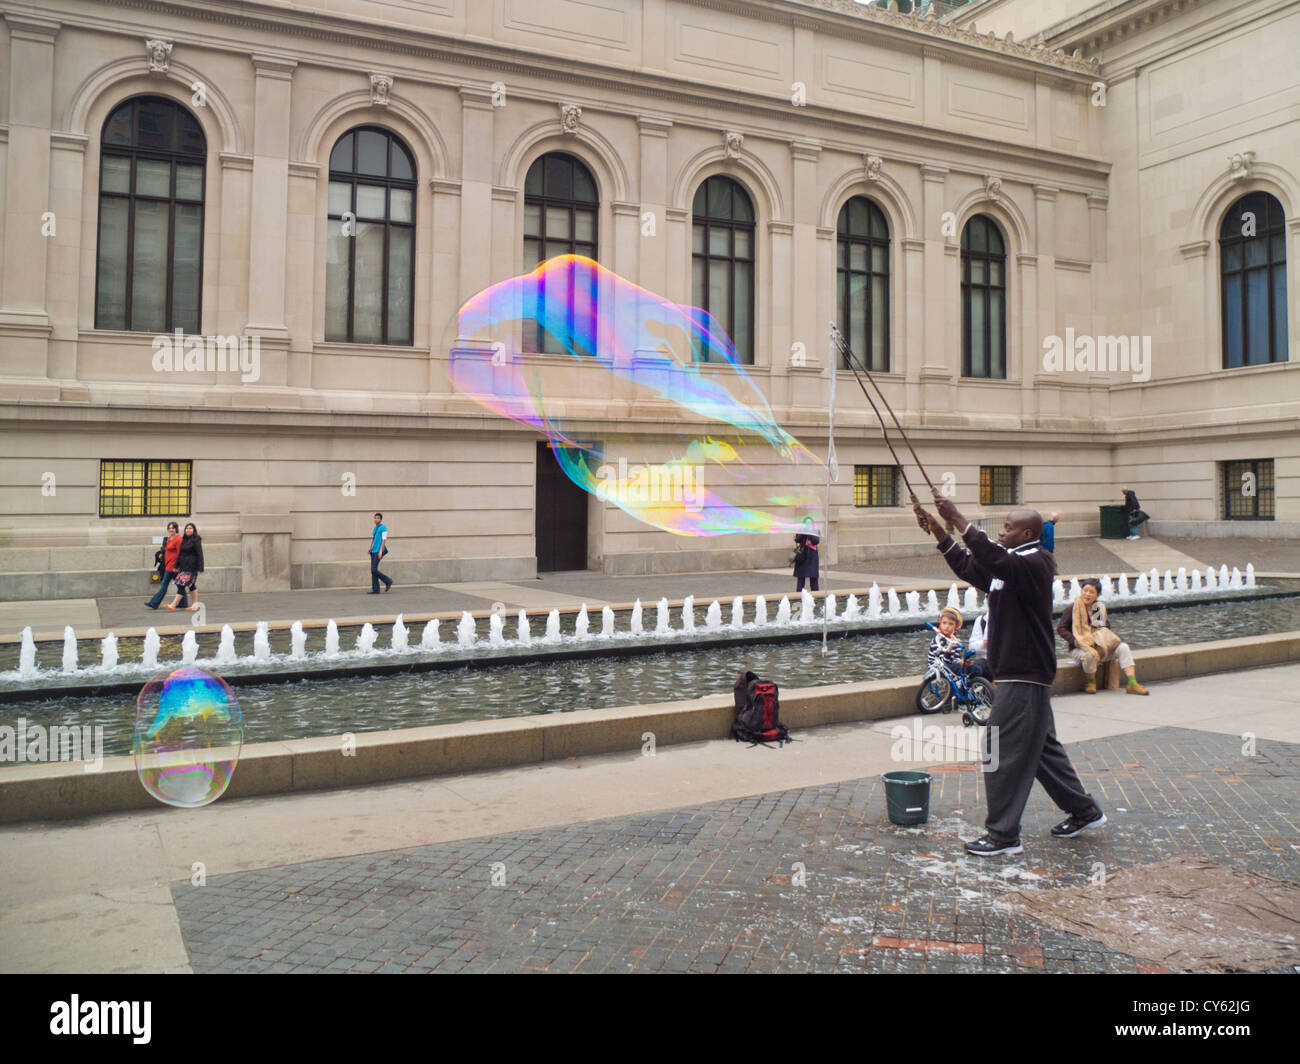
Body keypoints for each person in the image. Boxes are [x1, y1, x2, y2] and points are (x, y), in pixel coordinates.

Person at [913, 494, 1105, 856]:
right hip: (1020, 672)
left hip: (1025, 673)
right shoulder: (1010, 564)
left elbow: (991, 557)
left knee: (997, 747)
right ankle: (1085, 811)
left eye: (1007, 527)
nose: (1001, 531)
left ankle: (1003, 835)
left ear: (1027, 533)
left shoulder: (1036, 562)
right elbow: (973, 568)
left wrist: (957, 516)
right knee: (1042, 750)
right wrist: (941, 532)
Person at [1062, 579, 1149, 695]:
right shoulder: (1073, 608)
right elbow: (1061, 628)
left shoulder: (1098, 608)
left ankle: (1132, 683)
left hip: (1100, 646)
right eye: (1085, 590)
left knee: (1123, 647)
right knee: (1090, 654)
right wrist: (1075, 640)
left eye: (1091, 592)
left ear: (1097, 595)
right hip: (1079, 648)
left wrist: (1099, 627)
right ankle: (1091, 682)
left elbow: (1105, 628)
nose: (1087, 594)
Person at [928, 606, 988, 681]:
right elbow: (943, 662)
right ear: (940, 623)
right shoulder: (937, 640)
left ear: (955, 626)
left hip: (950, 667)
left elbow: (955, 658)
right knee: (970, 670)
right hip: (937, 669)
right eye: (944, 623)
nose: (947, 626)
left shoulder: (955, 640)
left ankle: (975, 685)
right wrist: (949, 649)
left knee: (979, 665)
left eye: (951, 624)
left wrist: (961, 661)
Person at [162, 523, 204, 612]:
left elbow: (199, 553)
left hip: (192, 567)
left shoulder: (196, 539)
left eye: (190, 528)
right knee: (191, 585)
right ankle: (195, 606)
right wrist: (176, 565)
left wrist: (200, 566)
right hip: (184, 567)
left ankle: (173, 604)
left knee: (181, 585)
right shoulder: (184, 540)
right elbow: (180, 554)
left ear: (194, 530)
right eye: (187, 528)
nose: (188, 530)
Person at [145, 521, 182, 610]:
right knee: (180, 586)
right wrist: (162, 554)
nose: (171, 529)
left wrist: (177, 566)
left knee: (164, 584)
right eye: (169, 528)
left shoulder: (178, 539)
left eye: (173, 528)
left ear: (176, 528)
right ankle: (183, 603)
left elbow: (180, 553)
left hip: (173, 566)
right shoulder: (169, 538)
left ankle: (154, 603)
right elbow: (167, 549)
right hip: (168, 564)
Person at [369, 512, 392, 594]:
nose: (376, 519)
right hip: (373, 551)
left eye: (378, 518)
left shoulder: (383, 527)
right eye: (375, 518)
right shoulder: (375, 528)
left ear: (381, 519)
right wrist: (371, 548)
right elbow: (374, 539)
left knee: (374, 569)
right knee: (373, 571)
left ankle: (388, 581)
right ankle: (376, 589)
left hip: (378, 551)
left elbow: (384, 539)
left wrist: (380, 551)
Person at [793, 523, 819, 593]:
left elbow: (816, 541)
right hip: (802, 556)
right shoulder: (801, 529)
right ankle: (799, 597)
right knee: (800, 579)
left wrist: (810, 532)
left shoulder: (815, 529)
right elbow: (797, 539)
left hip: (812, 557)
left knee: (813, 579)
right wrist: (803, 531)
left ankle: (816, 597)